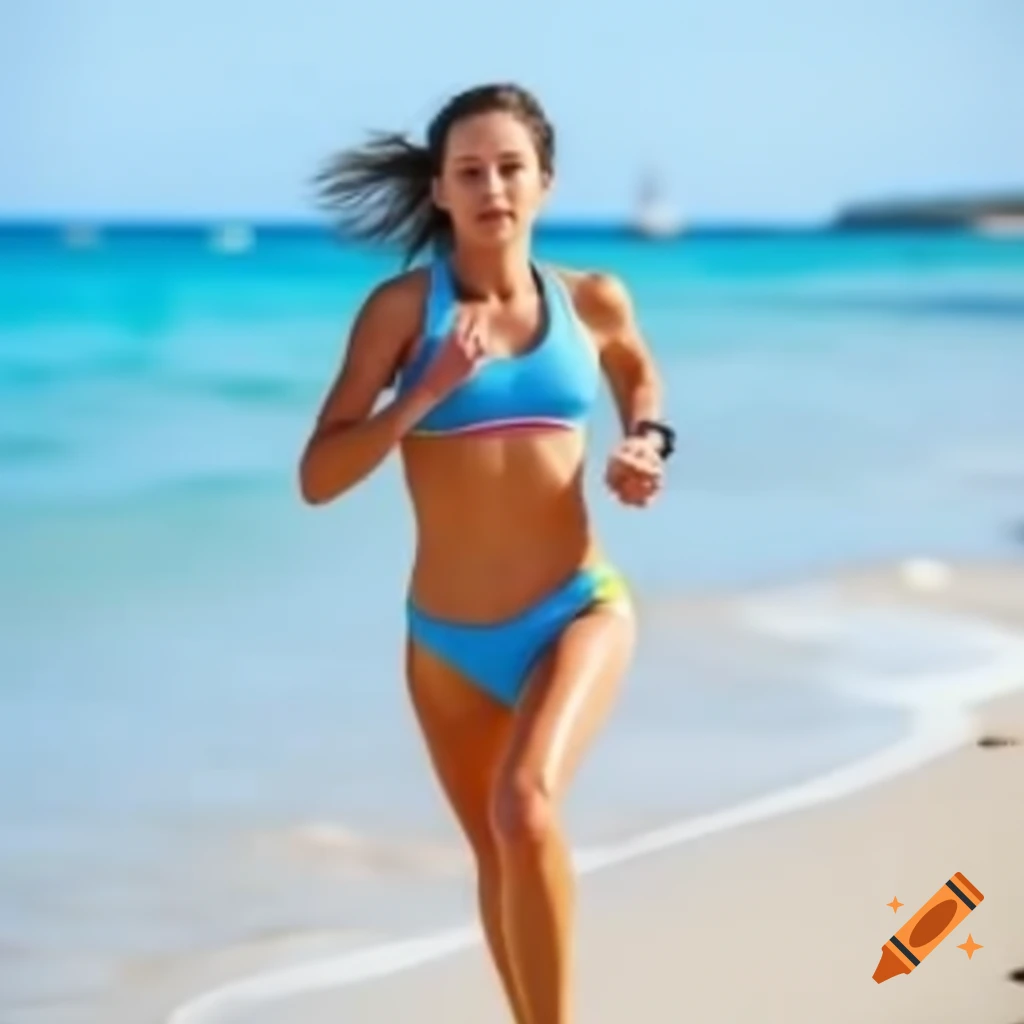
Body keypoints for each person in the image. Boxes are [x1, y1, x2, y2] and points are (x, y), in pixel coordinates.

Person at [298, 82, 674, 1024]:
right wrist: (423, 393)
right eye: (469, 170)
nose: (492, 186)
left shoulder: (592, 298)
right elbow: (319, 475)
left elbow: (638, 369)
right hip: (446, 648)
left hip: (577, 608)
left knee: (525, 809)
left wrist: (648, 443)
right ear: (439, 192)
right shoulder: (397, 314)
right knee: (496, 853)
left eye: (511, 167)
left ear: (543, 182)